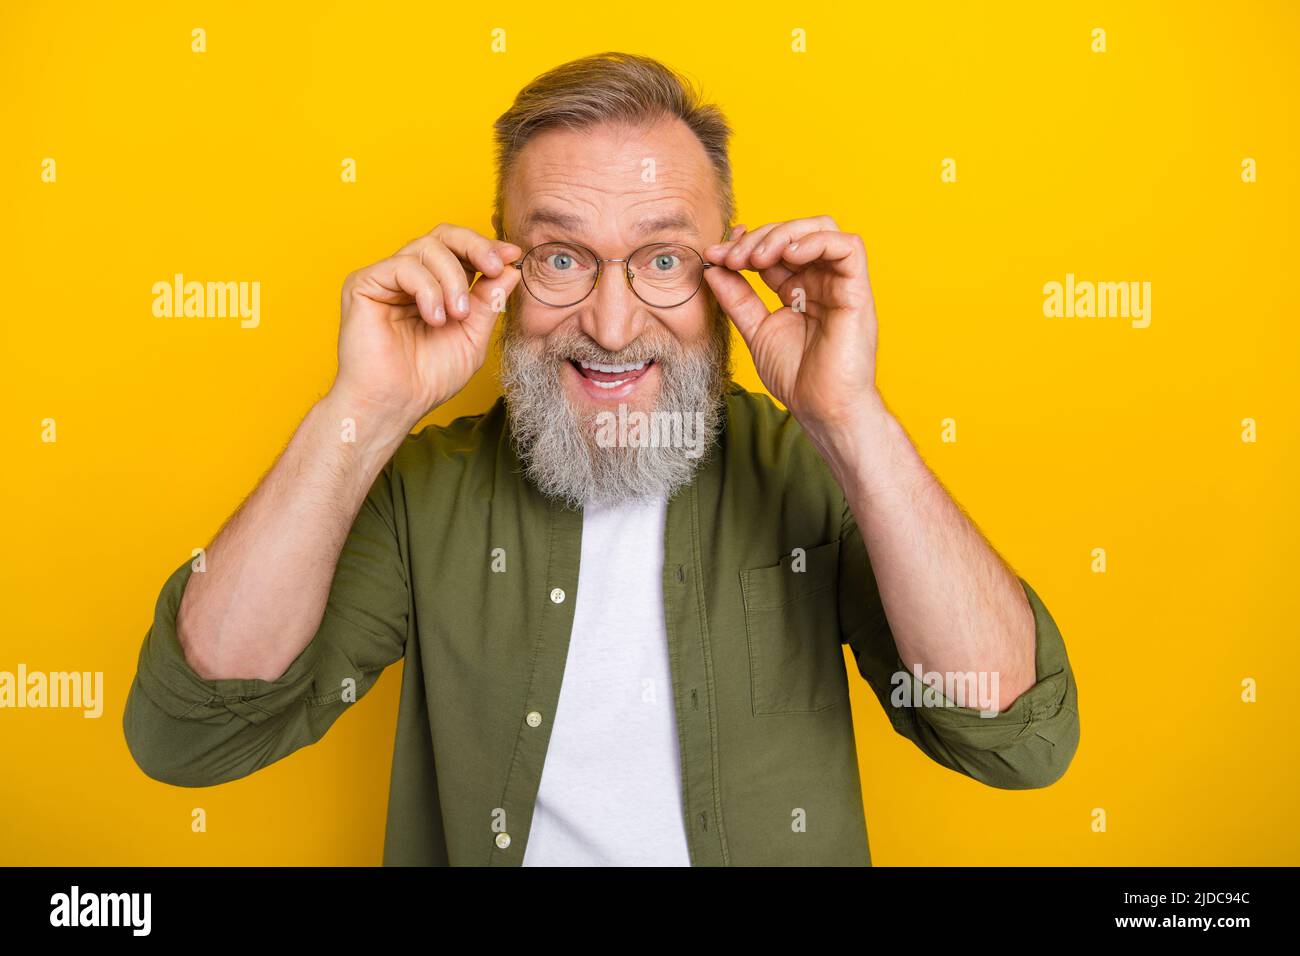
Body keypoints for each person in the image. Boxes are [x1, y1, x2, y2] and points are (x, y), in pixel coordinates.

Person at [123, 51, 1080, 866]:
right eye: (564, 258)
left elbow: (1012, 736)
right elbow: (196, 730)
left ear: (727, 274)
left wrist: (852, 418)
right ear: (500, 270)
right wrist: (362, 411)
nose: (613, 324)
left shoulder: (811, 471)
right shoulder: (423, 490)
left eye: (662, 260)